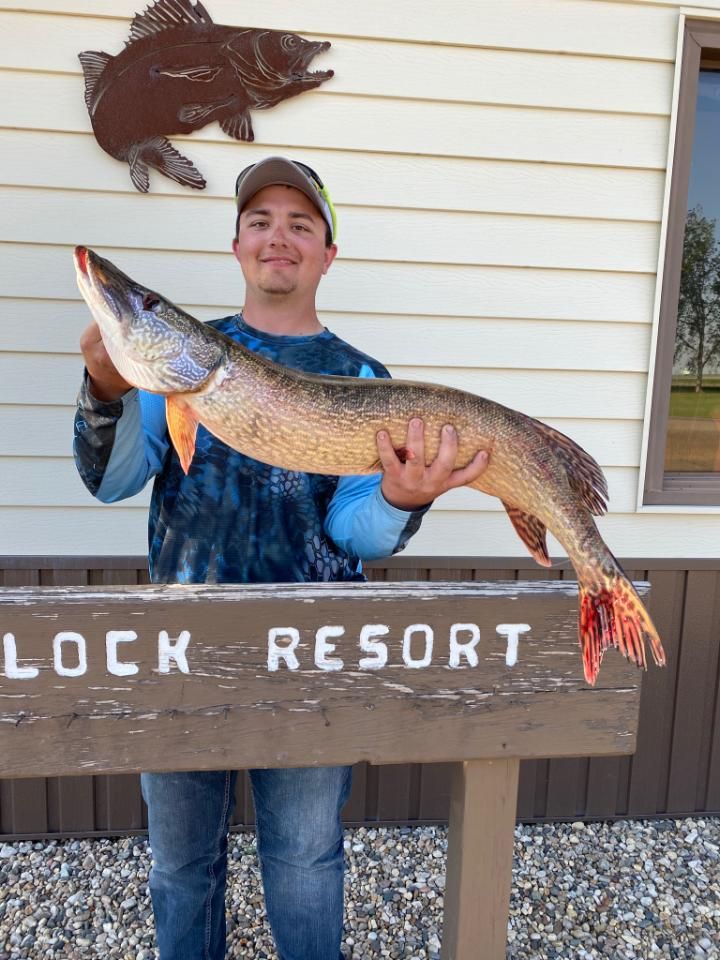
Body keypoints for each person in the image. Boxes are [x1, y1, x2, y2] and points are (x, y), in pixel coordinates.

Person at [73, 156, 489, 960]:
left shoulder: (363, 379)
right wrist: (104, 390)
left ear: (327, 254)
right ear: (237, 245)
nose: (279, 237)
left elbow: (355, 535)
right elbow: (113, 479)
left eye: (301, 224)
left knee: (304, 863)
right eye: (260, 221)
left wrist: (401, 497)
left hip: (311, 657)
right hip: (183, 655)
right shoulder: (179, 362)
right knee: (181, 868)